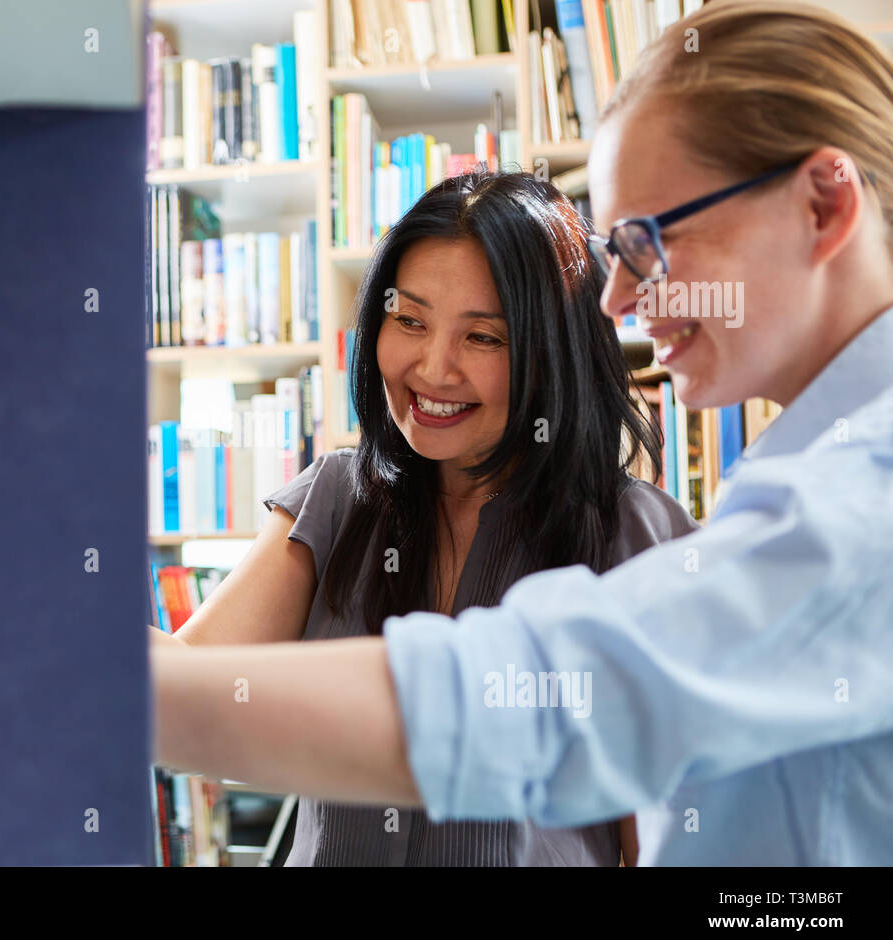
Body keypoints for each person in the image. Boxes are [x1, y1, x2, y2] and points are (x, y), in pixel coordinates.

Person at [151, 0, 893, 865]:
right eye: (618, 253)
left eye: (652, 240)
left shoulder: (854, 496)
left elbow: (537, 704)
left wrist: (101, 670)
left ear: (823, 205)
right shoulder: (815, 468)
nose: (619, 303)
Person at [153, 168, 697, 866]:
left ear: (552, 354)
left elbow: (660, 843)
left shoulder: (638, 536)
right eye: (408, 320)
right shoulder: (335, 497)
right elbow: (180, 698)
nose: (433, 370)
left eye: (485, 338)